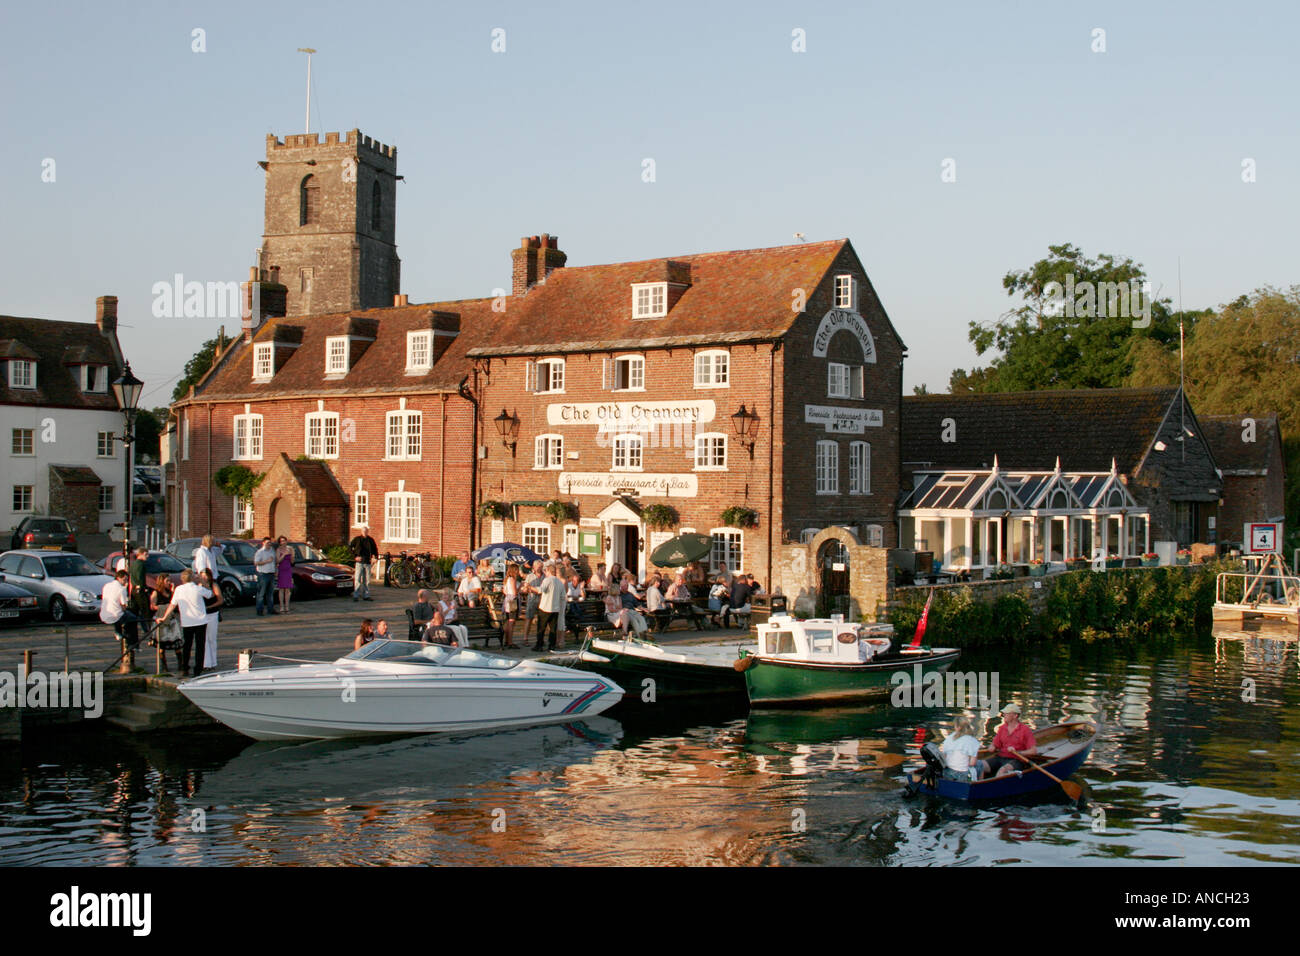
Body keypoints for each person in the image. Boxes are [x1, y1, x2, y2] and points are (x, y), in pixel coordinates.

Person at [157, 569, 213, 677]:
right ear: (192, 578)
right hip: (200, 621)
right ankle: (198, 669)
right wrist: (202, 581)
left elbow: (172, 605)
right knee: (200, 646)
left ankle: (185, 667)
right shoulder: (198, 588)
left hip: (187, 621)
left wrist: (164, 617)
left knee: (187, 645)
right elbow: (210, 594)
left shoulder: (179, 590)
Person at [985, 704, 1037, 777]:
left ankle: (996, 782)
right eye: (1004, 713)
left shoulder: (1025, 730)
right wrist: (992, 746)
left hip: (1017, 760)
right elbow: (995, 744)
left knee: (1002, 770)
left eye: (1007, 713)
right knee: (980, 765)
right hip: (1000, 757)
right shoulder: (1002, 728)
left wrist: (1018, 752)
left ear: (1015, 715)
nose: (1004, 715)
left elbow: (1033, 751)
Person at [150, 575, 183, 672]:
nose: (169, 582)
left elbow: (174, 603)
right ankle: (164, 666)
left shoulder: (170, 592)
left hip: (171, 620)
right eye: (167, 581)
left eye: (169, 580)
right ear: (162, 582)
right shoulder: (156, 593)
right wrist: (164, 607)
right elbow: (152, 606)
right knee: (162, 645)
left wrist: (172, 591)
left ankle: (181, 664)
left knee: (176, 644)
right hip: (161, 619)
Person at [940, 715, 987, 782]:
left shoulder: (949, 738)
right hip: (962, 775)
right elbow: (972, 763)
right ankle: (980, 784)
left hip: (947, 773)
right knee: (980, 764)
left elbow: (944, 757)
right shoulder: (972, 740)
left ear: (957, 727)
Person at [99, 569, 139, 646]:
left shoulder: (107, 586)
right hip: (116, 615)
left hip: (104, 613)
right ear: (118, 578)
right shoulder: (121, 589)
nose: (125, 582)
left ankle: (118, 632)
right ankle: (132, 643)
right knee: (133, 618)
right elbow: (123, 606)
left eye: (127, 580)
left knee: (120, 614)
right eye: (124, 580)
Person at [535, 565, 566, 652]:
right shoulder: (559, 582)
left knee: (541, 627)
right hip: (555, 608)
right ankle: (551, 645)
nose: (545, 572)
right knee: (553, 628)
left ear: (548, 570)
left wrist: (530, 587)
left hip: (545, 607)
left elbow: (540, 590)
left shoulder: (547, 580)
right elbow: (563, 596)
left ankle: (539, 645)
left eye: (546, 570)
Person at [198, 568, 224, 671]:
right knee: (204, 639)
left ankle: (213, 662)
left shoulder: (214, 585)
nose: (204, 577)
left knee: (211, 638)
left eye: (206, 575)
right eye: (202, 575)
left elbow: (220, 600)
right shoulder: (199, 586)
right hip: (202, 616)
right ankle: (206, 663)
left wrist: (209, 607)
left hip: (212, 614)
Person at [349, 525, 379, 602]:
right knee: (358, 579)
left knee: (367, 580)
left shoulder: (370, 540)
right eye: (363, 531)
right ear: (361, 531)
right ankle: (356, 595)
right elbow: (350, 547)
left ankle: (366, 595)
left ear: (368, 532)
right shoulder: (357, 539)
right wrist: (355, 557)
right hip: (359, 562)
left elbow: (375, 549)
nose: (365, 532)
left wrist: (375, 558)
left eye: (366, 531)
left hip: (368, 562)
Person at [521, 560, 544, 645]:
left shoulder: (545, 576)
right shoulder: (530, 576)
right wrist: (527, 589)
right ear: (534, 567)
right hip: (532, 599)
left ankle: (540, 639)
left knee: (542, 620)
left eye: (540, 567)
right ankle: (525, 638)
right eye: (537, 566)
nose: (539, 568)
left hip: (542, 599)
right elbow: (525, 588)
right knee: (529, 618)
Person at [253, 536, 276, 615]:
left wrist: (275, 570)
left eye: (270, 543)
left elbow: (274, 561)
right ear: (263, 543)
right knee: (261, 593)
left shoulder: (272, 551)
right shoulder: (260, 552)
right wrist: (266, 561)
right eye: (267, 543)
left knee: (270, 593)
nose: (269, 544)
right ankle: (259, 610)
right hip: (263, 574)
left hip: (271, 573)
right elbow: (256, 563)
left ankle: (270, 609)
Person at [501, 564, 520, 648]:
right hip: (512, 601)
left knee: (508, 621)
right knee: (511, 622)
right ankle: (510, 642)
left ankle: (506, 640)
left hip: (507, 600)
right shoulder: (512, 579)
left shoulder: (507, 579)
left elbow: (504, 591)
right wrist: (520, 587)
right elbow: (515, 592)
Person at [275, 536, 294, 613]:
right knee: (281, 589)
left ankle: (287, 606)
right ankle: (281, 606)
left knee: (287, 589)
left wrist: (292, 555)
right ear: (279, 542)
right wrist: (284, 554)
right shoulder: (278, 550)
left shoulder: (290, 549)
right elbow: (277, 561)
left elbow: (292, 561)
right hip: (281, 570)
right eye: (281, 541)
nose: (283, 542)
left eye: (284, 541)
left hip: (288, 569)